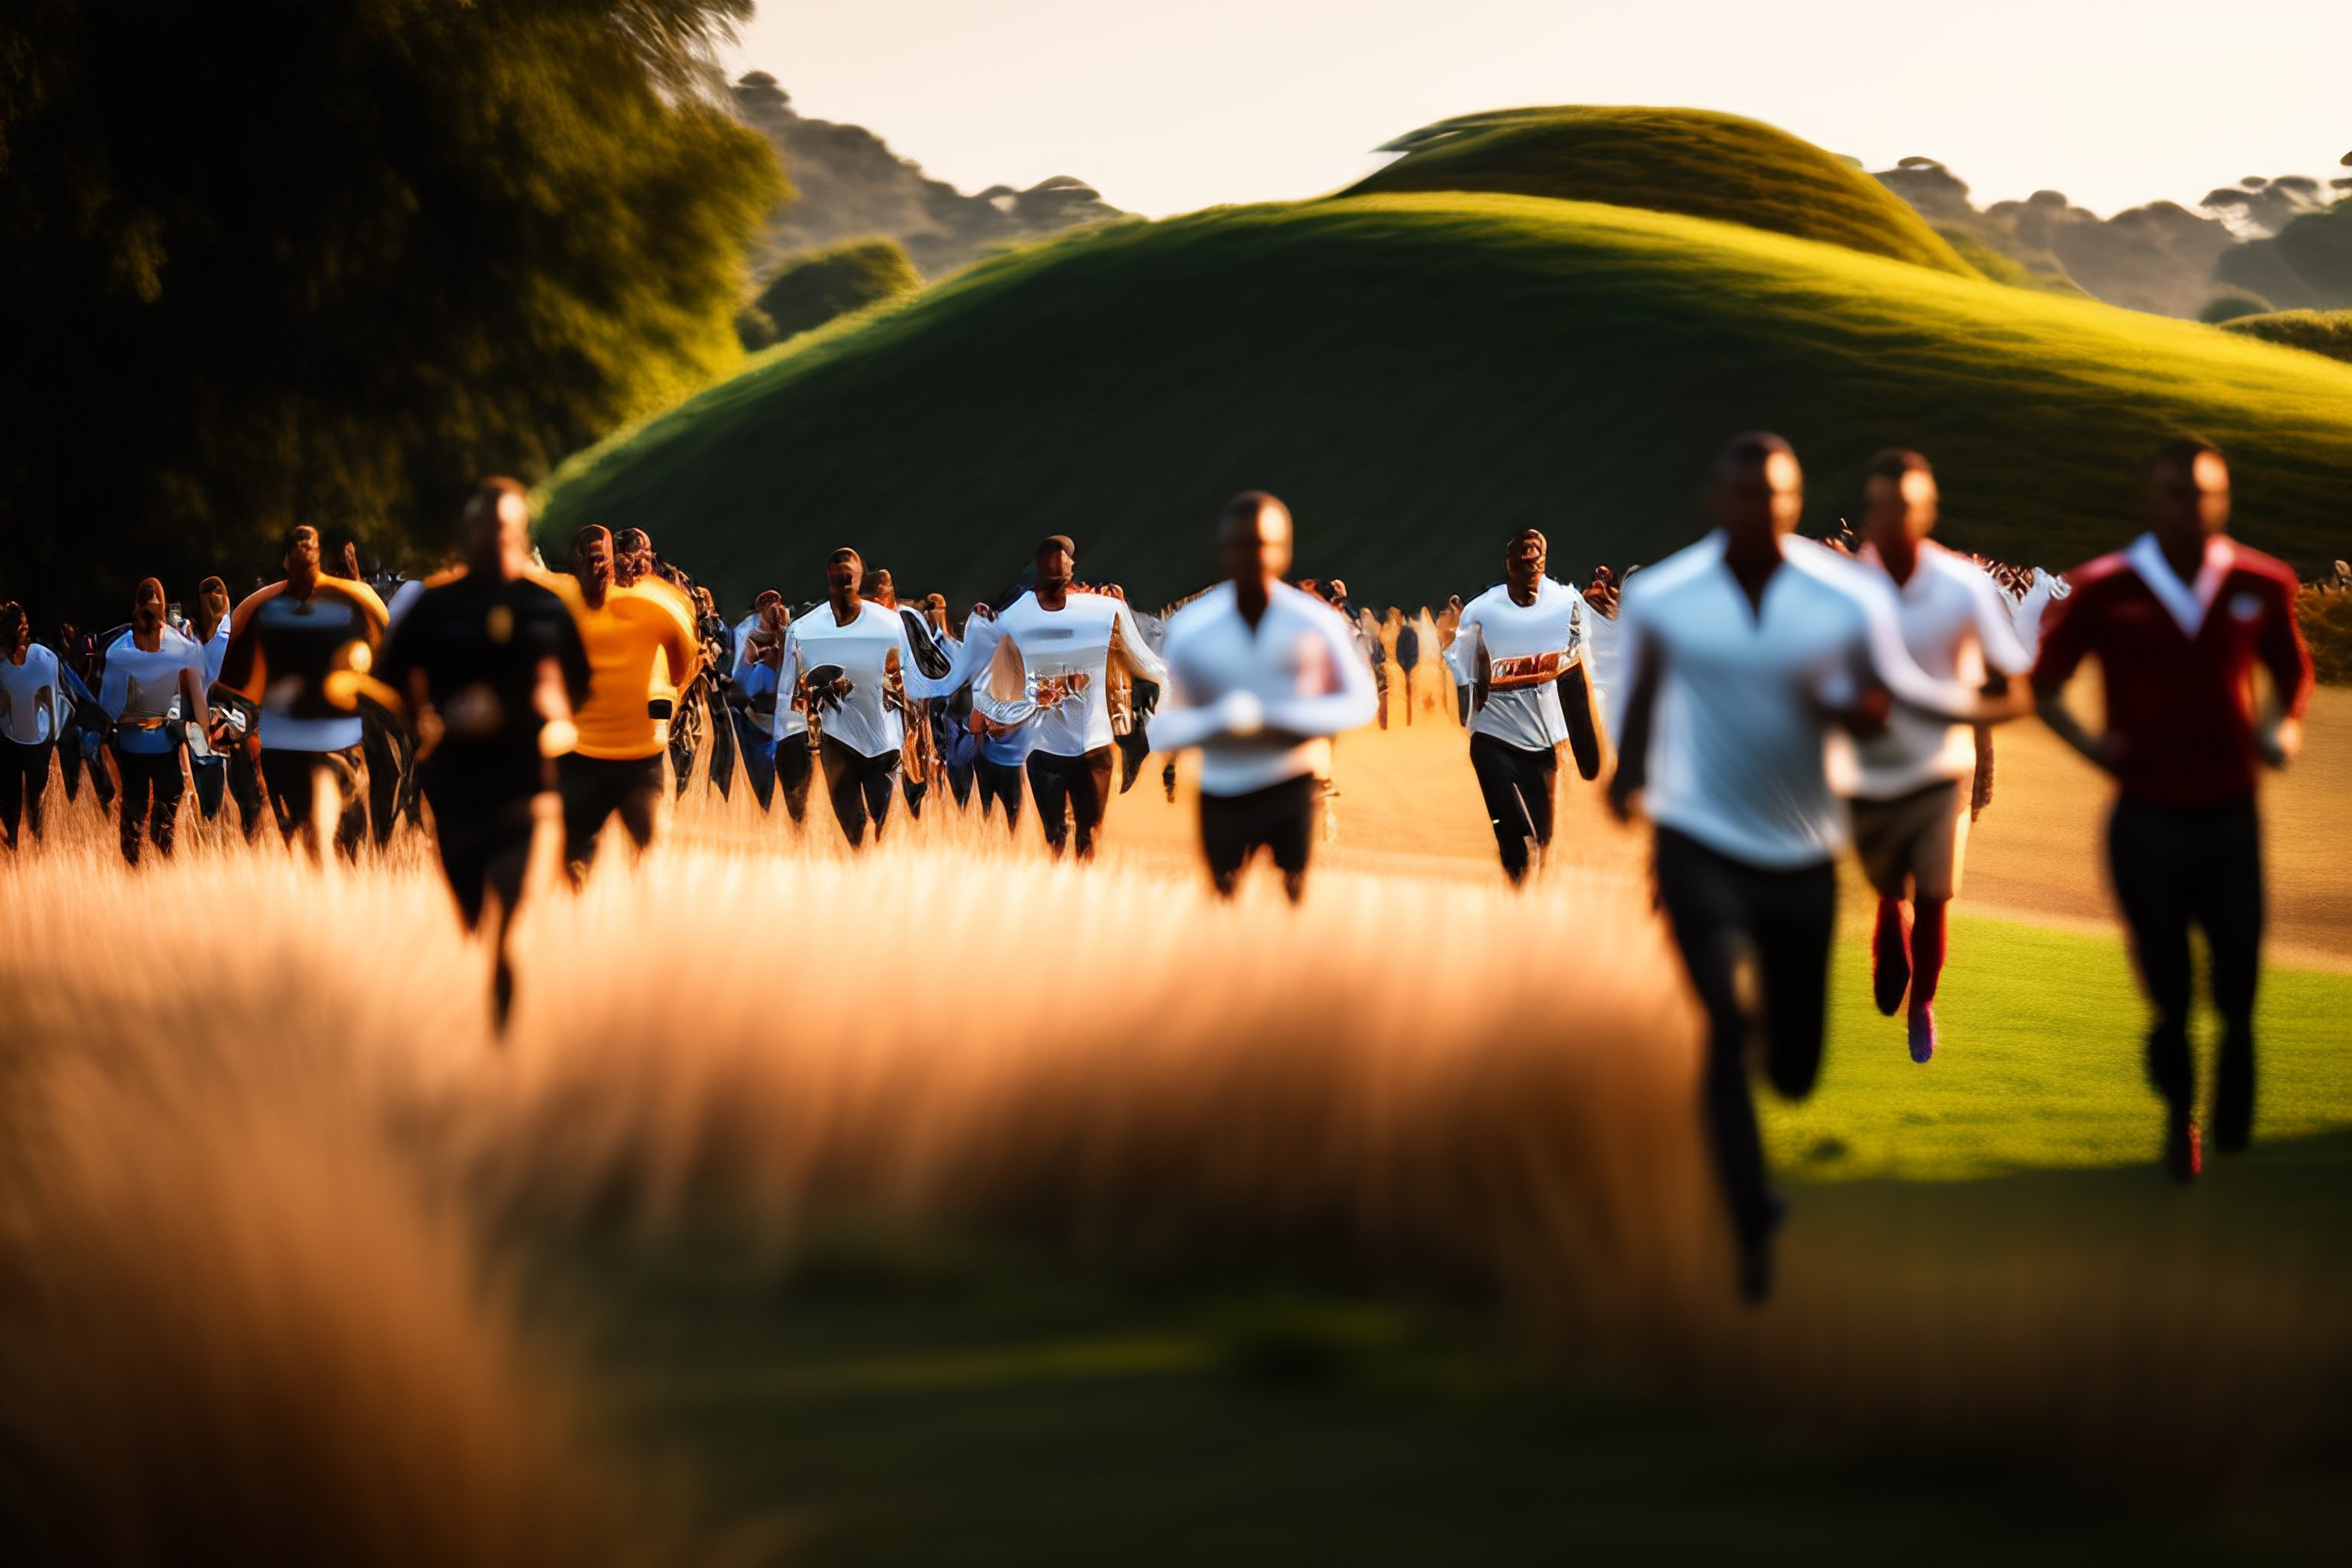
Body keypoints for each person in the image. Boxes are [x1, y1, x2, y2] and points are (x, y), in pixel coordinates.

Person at [1607, 434, 2020, 1300]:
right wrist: (1632, 778)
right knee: (1723, 1017)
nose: (1761, 511)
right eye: (1744, 494)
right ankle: (1751, 1215)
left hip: (1796, 849)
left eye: (1777, 496)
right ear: (1717, 502)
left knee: (1793, 1067)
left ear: (1796, 506)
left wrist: (1865, 712)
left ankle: (1784, 1051)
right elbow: (1640, 701)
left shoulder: (1842, 595)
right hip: (1696, 837)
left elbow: (1880, 700)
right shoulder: (1664, 595)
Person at [2031, 439, 2311, 1182]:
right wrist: (2094, 749)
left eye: (2207, 494)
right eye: (2178, 493)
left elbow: (2292, 671)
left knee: (2239, 977)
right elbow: (2044, 683)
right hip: (2145, 820)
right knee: (2170, 993)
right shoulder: (2105, 588)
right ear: (2150, 499)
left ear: (2224, 500)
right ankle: (2180, 1116)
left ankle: (2240, 1051)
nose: (2195, 507)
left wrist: (2281, 727)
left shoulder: (2262, 581)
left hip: (2230, 817)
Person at [1831, 451, 2035, 1063]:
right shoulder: (1846, 587)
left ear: (1928, 511)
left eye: (1909, 507)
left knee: (1937, 896)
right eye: (1885, 508)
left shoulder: (1963, 586)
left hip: (1948, 766)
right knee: (1893, 889)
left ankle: (1924, 1005)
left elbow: (2010, 688)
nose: (1897, 520)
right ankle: (1887, 931)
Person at [377, 479, 591, 1031]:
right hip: (455, 789)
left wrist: (546, 713)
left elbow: (581, 683)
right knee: (472, 918)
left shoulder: (545, 604)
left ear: (521, 534)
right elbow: (390, 678)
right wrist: (424, 718)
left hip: (526, 783)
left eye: (508, 528)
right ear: (470, 533)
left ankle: (504, 1022)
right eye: (487, 528)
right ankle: (476, 996)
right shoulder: (435, 604)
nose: (498, 538)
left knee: (506, 923)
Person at [1154, 493, 1380, 900]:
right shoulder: (1193, 629)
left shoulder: (1317, 623)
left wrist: (1288, 720)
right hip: (1221, 785)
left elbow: (1362, 701)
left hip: (1291, 781)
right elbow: (1165, 726)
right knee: (1224, 898)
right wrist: (1220, 722)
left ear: (1284, 552)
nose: (1253, 556)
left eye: (1264, 546)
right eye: (1242, 545)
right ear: (1224, 553)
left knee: (1293, 898)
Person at [991, 535, 1170, 860]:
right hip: (1045, 751)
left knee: (1087, 839)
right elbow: (1007, 680)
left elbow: (1147, 666)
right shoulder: (1021, 616)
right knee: (1056, 838)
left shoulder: (1104, 611)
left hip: (1093, 748)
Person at [219, 526, 390, 860]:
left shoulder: (346, 601)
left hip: (335, 743)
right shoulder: (265, 607)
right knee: (305, 842)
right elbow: (238, 655)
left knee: (343, 843)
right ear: (286, 561)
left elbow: (382, 638)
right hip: (288, 746)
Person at [1446, 530, 1588, 884]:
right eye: (1523, 558)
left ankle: (1536, 896)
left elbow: (1575, 670)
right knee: (1513, 834)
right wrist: (1470, 715)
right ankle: (1517, 893)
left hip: (1544, 742)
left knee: (1544, 834)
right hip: (1493, 736)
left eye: (1538, 556)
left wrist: (1580, 736)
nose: (1531, 563)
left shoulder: (1565, 604)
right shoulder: (1480, 611)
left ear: (1545, 563)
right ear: (1509, 565)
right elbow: (1461, 672)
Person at [782, 546, 948, 847]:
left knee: (891, 808)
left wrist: (919, 730)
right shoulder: (806, 629)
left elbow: (923, 675)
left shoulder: (901, 621)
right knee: (853, 823)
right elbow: (794, 695)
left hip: (890, 736)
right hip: (841, 739)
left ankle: (901, 839)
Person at [559, 524, 701, 877]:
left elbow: (685, 661)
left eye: (645, 557)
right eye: (636, 556)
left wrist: (671, 696)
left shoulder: (658, 598)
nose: (640, 564)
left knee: (642, 831)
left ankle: (637, 895)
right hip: (593, 733)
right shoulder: (570, 601)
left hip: (643, 727)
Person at [98, 577, 212, 865]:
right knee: (133, 821)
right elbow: (108, 707)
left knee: (164, 825)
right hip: (132, 747)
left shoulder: (182, 647)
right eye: (146, 610)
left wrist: (203, 743)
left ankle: (163, 877)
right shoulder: (119, 652)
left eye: (155, 610)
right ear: (136, 610)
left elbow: (198, 700)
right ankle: (135, 878)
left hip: (167, 744)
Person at [0, 603, 60, 849]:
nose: (25, 627)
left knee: (36, 802)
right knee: (11, 803)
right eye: (20, 623)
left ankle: (37, 846)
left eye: (25, 622)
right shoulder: (2, 665)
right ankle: (14, 846)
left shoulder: (43, 658)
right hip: (9, 741)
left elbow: (52, 697)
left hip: (37, 740)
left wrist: (54, 738)